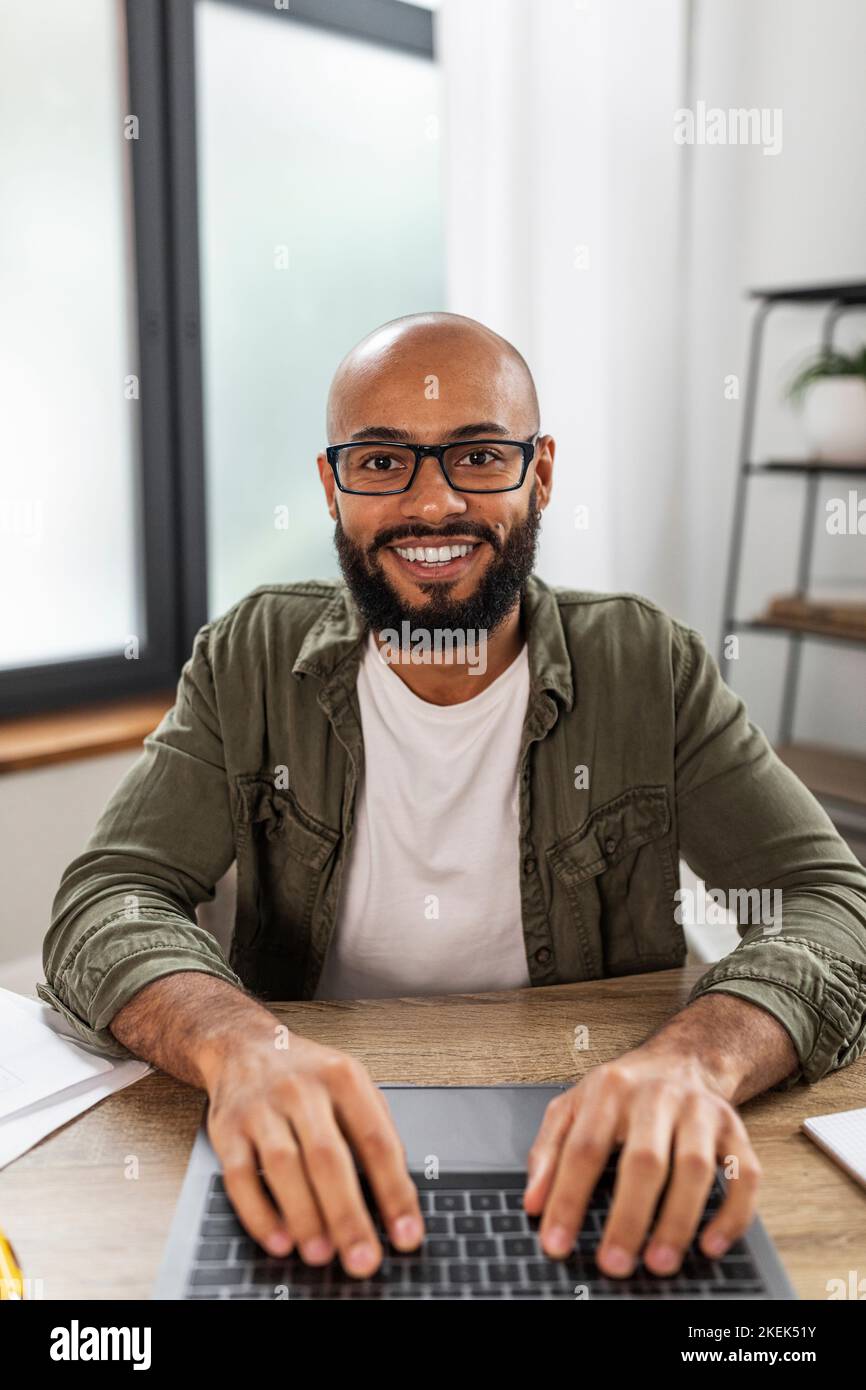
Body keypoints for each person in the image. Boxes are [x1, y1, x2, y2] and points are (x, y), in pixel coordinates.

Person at [41, 312, 866, 1282]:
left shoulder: (647, 665)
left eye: (477, 456)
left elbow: (827, 898)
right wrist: (239, 1046)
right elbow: (108, 896)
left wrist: (695, 1060)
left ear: (540, 472)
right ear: (331, 484)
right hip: (307, 1142)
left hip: (595, 1140)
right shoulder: (249, 660)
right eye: (382, 462)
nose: (432, 505)